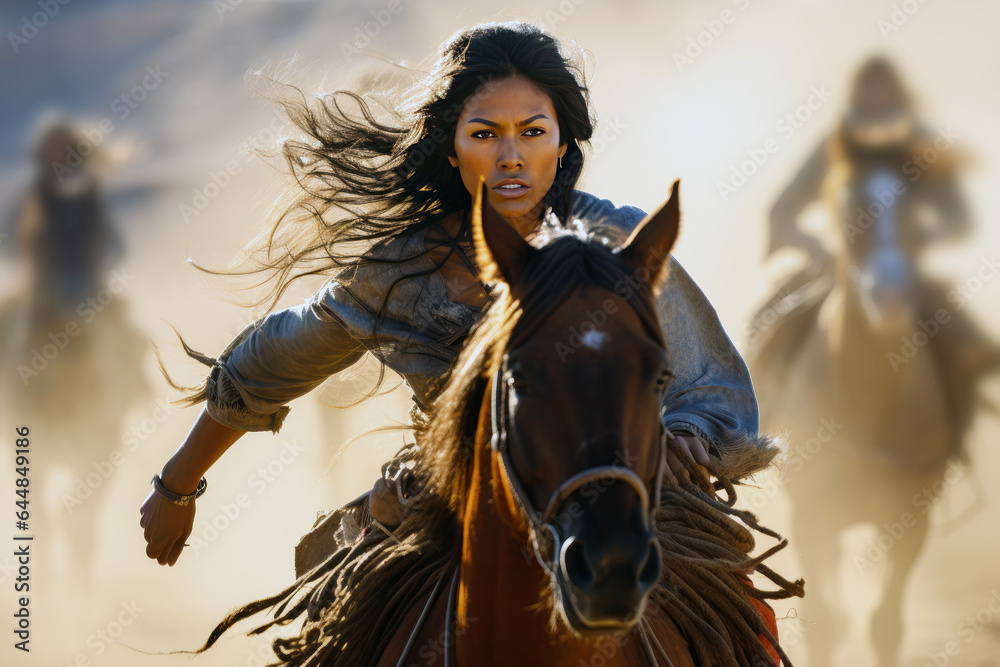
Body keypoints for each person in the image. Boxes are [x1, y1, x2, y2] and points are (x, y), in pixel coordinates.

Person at [140, 15, 764, 597]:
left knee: (734, 616)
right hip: (448, 499)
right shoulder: (397, 275)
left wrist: (685, 434)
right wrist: (176, 486)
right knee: (330, 590)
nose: (511, 156)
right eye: (485, 134)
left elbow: (710, 385)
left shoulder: (620, 245)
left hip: (623, 487)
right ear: (450, 146)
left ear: (563, 140)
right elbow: (265, 365)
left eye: (533, 132)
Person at [748, 54, 998, 458]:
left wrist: (921, 237)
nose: (877, 98)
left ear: (897, 95)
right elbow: (781, 211)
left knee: (966, 347)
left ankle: (952, 440)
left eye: (884, 90)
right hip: (836, 269)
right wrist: (817, 248)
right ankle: (751, 438)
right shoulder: (833, 150)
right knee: (769, 329)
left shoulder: (921, 149)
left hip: (905, 272)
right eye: (870, 89)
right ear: (857, 95)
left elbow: (960, 218)